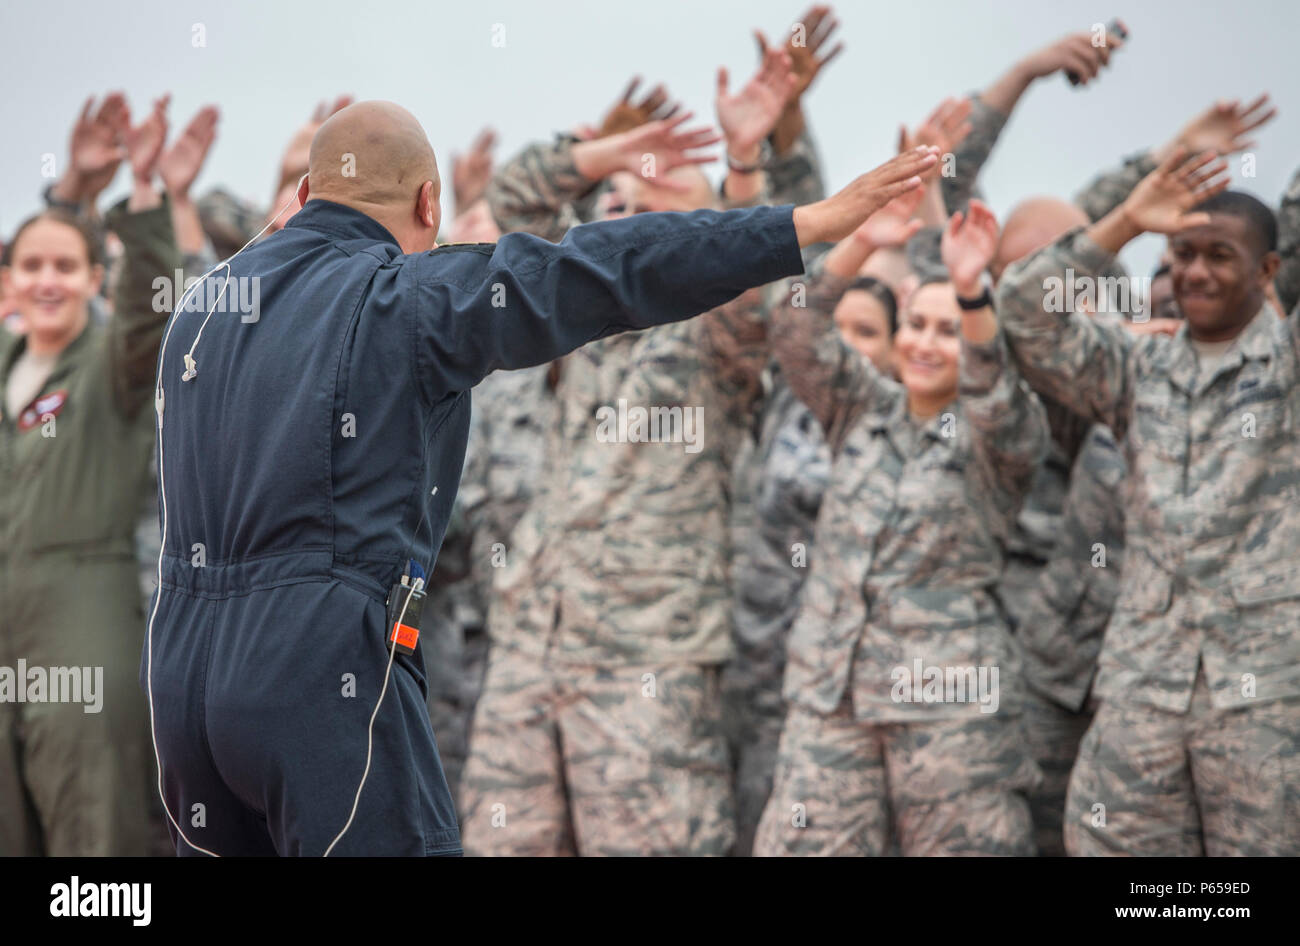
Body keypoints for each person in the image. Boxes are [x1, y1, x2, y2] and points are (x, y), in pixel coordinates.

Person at [144, 94, 940, 856]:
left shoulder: (204, 305)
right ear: (429, 204)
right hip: (316, 672)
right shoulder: (404, 298)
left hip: (180, 679)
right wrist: (799, 226)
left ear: (304, 196)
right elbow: (596, 268)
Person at [997, 148, 1299, 856]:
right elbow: (1023, 309)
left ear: (1267, 270)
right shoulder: (1137, 366)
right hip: (1142, 684)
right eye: (1183, 254)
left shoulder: (1287, 367)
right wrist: (1127, 221)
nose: (1196, 272)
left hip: (1261, 693)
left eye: (1219, 256)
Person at [754, 199, 1048, 856]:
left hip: (946, 706)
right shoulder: (862, 406)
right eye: (916, 324)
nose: (924, 344)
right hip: (832, 695)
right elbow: (796, 329)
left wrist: (971, 288)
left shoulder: (1004, 435)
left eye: (949, 331)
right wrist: (858, 243)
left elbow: (996, 395)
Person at [0, 96, 181, 856]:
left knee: (93, 830)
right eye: (31, 266)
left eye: (66, 267)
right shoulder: (7, 367)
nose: (48, 280)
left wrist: (141, 191)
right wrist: (72, 184)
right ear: (8, 281)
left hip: (83, 618)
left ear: (93, 280)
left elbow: (148, 310)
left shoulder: (113, 368)